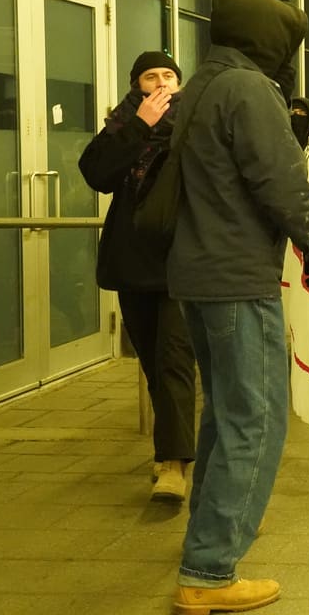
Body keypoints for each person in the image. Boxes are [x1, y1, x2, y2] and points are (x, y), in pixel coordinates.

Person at [167, 0, 309, 613]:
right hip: (236, 275)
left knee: (224, 415)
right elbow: (280, 178)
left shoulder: (201, 86)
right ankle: (209, 571)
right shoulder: (251, 89)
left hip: (196, 274)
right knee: (256, 419)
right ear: (267, 38)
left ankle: (210, 532)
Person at [78, 50, 197, 503]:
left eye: (170, 75)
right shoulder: (122, 126)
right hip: (133, 262)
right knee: (152, 361)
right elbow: (97, 175)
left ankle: (173, 464)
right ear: (137, 85)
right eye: (152, 76)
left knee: (173, 360)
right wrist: (139, 125)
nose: (163, 82)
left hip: (179, 261)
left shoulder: (193, 124)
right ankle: (173, 444)